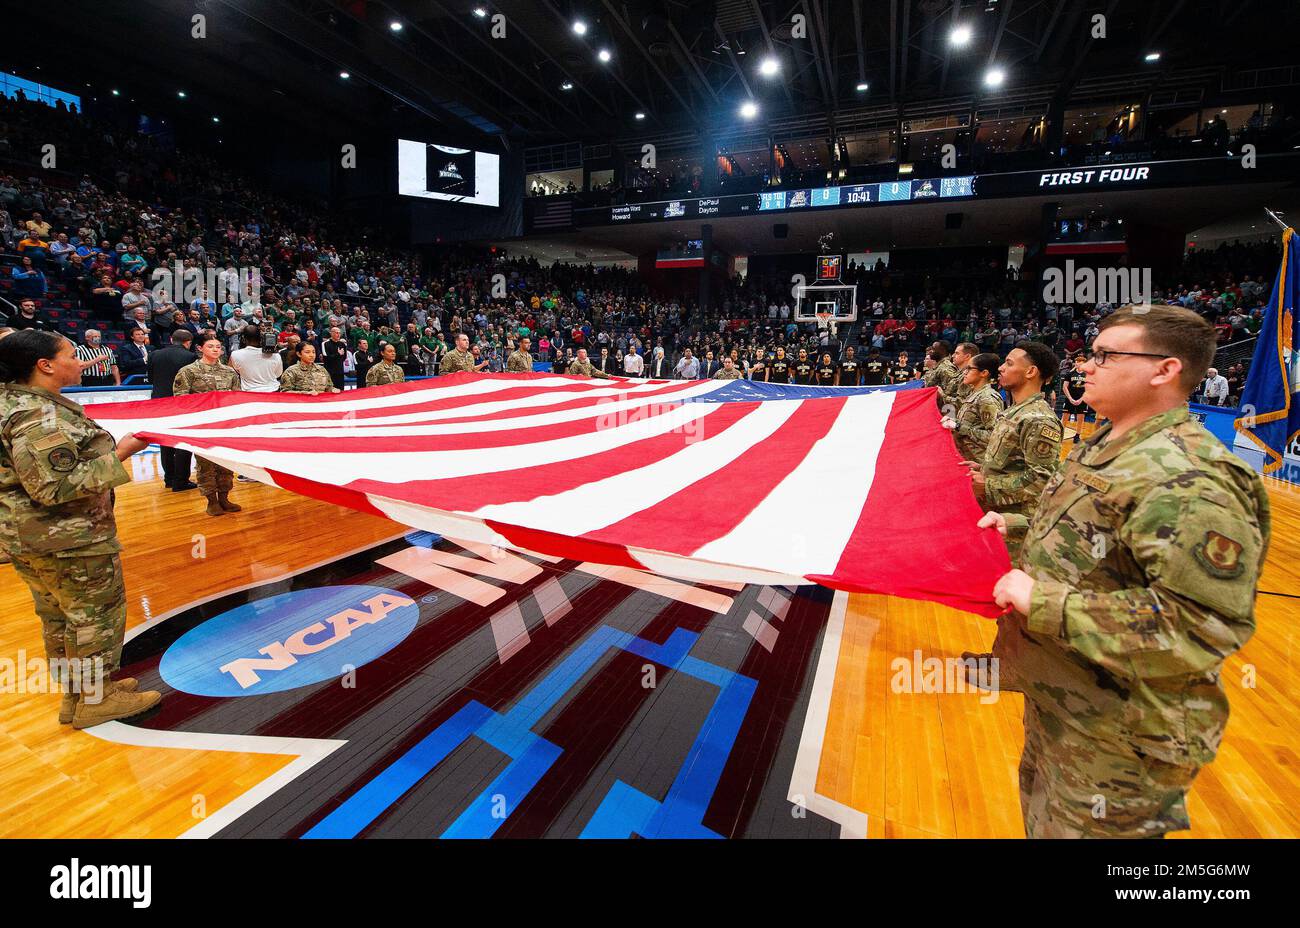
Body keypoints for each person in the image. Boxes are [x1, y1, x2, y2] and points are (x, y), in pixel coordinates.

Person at [977, 305, 1269, 838]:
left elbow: (1199, 626)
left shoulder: (1191, 475)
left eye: (1107, 355)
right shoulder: (1111, 444)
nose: (1086, 366)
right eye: (1091, 354)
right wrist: (1016, 523)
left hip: (1122, 730)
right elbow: (1090, 534)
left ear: (1165, 370)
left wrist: (1040, 602)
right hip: (1068, 698)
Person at [0, 330, 162, 727]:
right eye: (72, 355)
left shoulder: (18, 402)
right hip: (67, 538)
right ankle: (96, 700)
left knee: (60, 619)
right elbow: (53, 487)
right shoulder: (39, 416)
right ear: (46, 365)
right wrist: (122, 453)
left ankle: (80, 695)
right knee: (94, 617)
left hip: (33, 537)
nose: (81, 362)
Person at [173, 335, 243, 517]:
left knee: (226, 463)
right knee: (206, 465)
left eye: (218, 346)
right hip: (203, 425)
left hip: (226, 424)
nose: (215, 349)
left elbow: (237, 397)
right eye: (210, 346)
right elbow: (180, 399)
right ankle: (211, 501)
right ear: (200, 348)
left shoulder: (229, 372)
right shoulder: (189, 371)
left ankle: (224, 498)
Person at [148, 330, 198, 491]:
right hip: (180, 403)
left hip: (158, 402)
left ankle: (169, 478)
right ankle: (180, 480)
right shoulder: (189, 357)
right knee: (183, 442)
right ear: (188, 342)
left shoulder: (154, 354)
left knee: (165, 442)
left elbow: (150, 378)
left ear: (171, 339)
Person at [941, 352, 1003, 462]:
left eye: (969, 369)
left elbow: (994, 437)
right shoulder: (974, 394)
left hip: (978, 462)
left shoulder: (987, 398)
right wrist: (954, 421)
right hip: (965, 457)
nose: (964, 372)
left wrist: (958, 426)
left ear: (983, 373)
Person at [229, 326, 284, 393]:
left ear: (243, 339)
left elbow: (230, 373)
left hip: (249, 392)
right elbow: (278, 374)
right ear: (261, 338)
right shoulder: (275, 355)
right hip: (273, 390)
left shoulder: (235, 354)